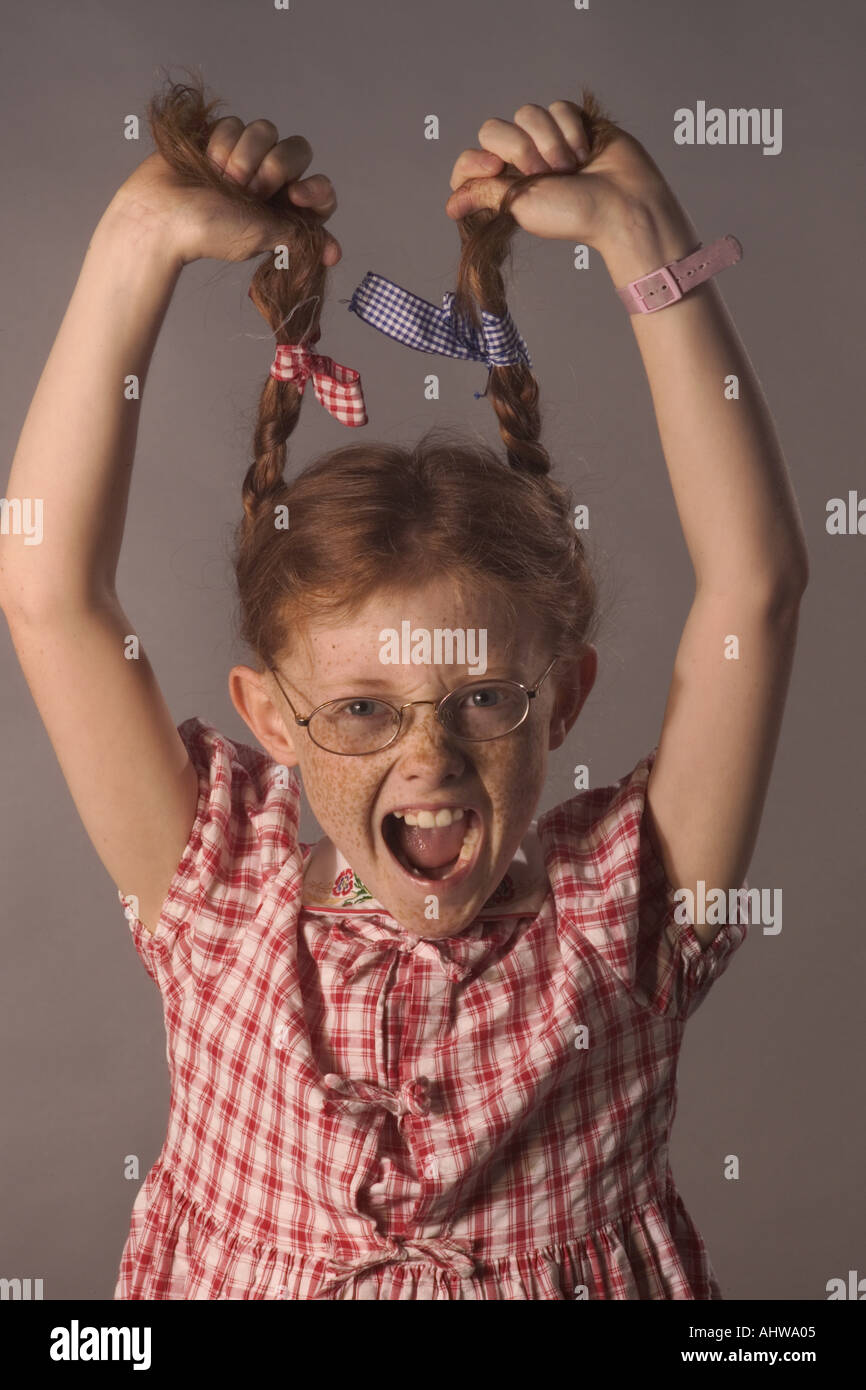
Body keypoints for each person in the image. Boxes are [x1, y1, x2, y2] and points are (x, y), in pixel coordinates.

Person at [0, 74, 808, 1300]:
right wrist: (136, 242)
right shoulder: (215, 886)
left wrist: (645, 243)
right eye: (363, 709)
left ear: (564, 697)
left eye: (483, 698)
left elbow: (754, 590)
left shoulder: (619, 924)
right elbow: (47, 593)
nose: (425, 760)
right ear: (273, 717)